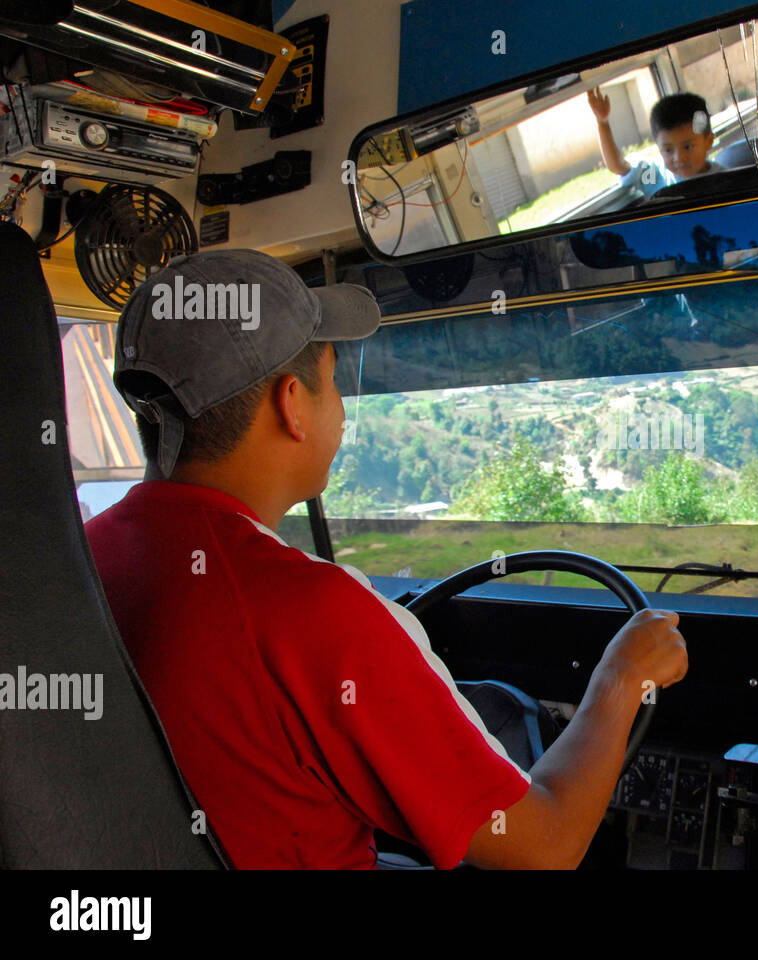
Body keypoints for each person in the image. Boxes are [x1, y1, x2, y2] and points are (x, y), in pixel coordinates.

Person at [84, 249, 687, 869]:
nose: (341, 407)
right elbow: (545, 843)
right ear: (292, 403)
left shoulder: (79, 561)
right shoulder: (316, 612)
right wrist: (620, 681)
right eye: (335, 378)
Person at [588, 88, 716, 197]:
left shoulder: (726, 180)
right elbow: (618, 166)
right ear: (659, 148)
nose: (679, 158)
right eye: (668, 150)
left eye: (687, 147)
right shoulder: (655, 175)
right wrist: (602, 122)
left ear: (708, 141)